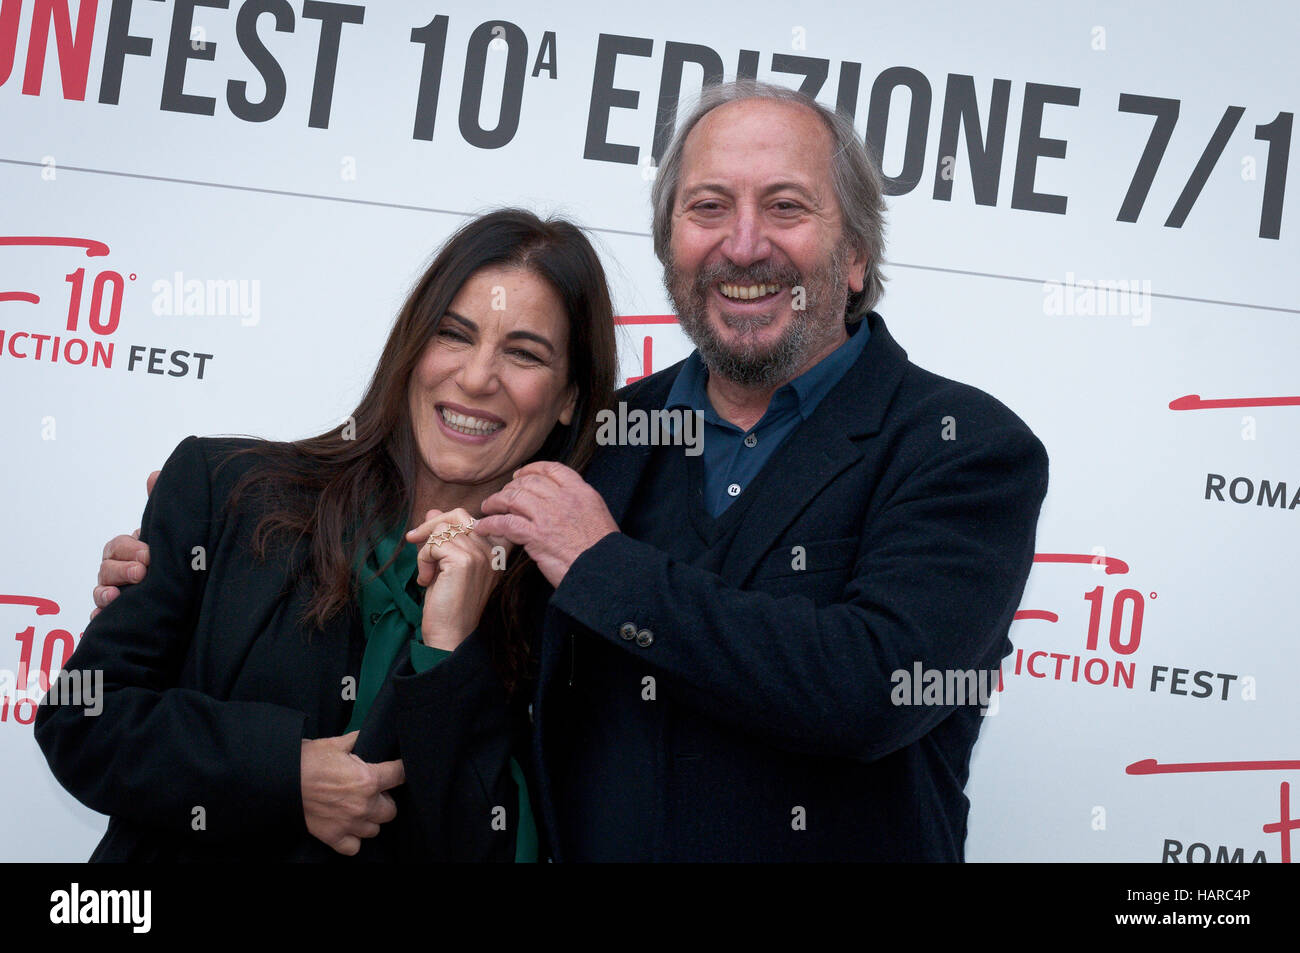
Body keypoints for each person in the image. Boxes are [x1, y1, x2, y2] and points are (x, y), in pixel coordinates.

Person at [94, 81, 1049, 861]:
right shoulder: (605, 436)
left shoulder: (963, 445)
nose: (744, 242)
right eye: (707, 207)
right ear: (673, 242)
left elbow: (874, 687)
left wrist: (604, 565)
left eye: (787, 207)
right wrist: (183, 574)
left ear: (856, 254)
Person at [37, 209, 618, 861]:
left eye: (522, 353)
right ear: (412, 346)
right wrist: (284, 771)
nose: (479, 376)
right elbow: (82, 718)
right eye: (454, 335)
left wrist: (448, 651)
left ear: (569, 397)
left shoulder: (563, 621)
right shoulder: (225, 490)